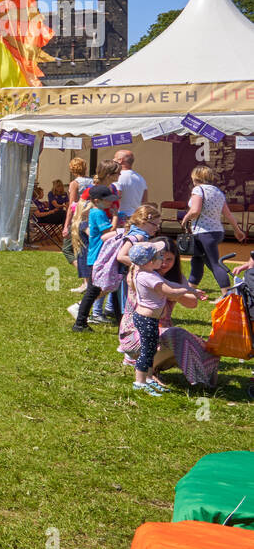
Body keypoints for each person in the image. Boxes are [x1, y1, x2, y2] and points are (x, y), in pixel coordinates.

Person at [126, 241, 208, 396]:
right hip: (146, 320)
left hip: (150, 320)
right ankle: (140, 382)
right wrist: (186, 290)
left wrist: (192, 290)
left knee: (150, 350)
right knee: (147, 351)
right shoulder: (148, 277)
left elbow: (170, 283)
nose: (162, 260)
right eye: (159, 256)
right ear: (150, 261)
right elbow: (170, 291)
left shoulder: (150, 273)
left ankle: (148, 378)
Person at [181, 164, 247, 290]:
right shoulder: (218, 192)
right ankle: (190, 287)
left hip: (203, 232)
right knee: (197, 259)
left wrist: (185, 218)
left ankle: (227, 292)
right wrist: (237, 230)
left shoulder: (198, 190)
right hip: (216, 232)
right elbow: (228, 214)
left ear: (196, 177)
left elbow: (195, 210)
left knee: (214, 263)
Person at [71, 184, 121, 331]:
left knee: (112, 288)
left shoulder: (96, 212)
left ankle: (120, 320)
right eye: (108, 200)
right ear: (97, 200)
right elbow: (108, 231)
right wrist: (116, 216)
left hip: (99, 256)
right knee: (93, 290)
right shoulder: (98, 213)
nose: (111, 203)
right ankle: (80, 323)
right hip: (99, 257)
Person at [112, 149, 148, 225]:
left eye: (114, 158)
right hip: (136, 217)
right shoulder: (140, 178)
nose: (112, 160)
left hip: (121, 217)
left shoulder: (117, 177)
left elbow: (116, 198)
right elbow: (144, 201)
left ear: (120, 160)